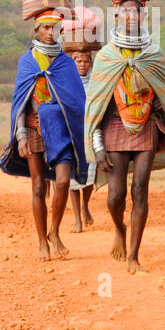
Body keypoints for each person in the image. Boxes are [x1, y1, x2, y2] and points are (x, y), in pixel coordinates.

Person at [83, 0, 165, 274]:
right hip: (114, 126)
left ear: (143, 16)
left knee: (140, 190)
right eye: (125, 11)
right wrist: (98, 148)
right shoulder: (106, 56)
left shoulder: (153, 54)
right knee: (115, 195)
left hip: (146, 127)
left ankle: (134, 256)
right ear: (117, 16)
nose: (131, 16)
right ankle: (118, 228)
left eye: (136, 11)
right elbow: (96, 106)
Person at [0, 9, 88, 260]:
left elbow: (76, 102)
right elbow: (20, 101)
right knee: (38, 187)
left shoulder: (66, 63)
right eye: (46, 28)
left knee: (62, 182)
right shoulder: (26, 62)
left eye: (55, 28)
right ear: (36, 30)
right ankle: (42, 241)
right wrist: (22, 135)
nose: (51, 33)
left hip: (61, 129)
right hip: (33, 127)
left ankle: (55, 231)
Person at [66, 47, 98, 232]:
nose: (83, 65)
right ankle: (77, 219)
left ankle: (85, 205)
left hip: (89, 134)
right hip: (71, 134)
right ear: (73, 62)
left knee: (89, 177)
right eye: (79, 61)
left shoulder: (95, 82)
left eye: (86, 62)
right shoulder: (68, 81)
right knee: (70, 178)